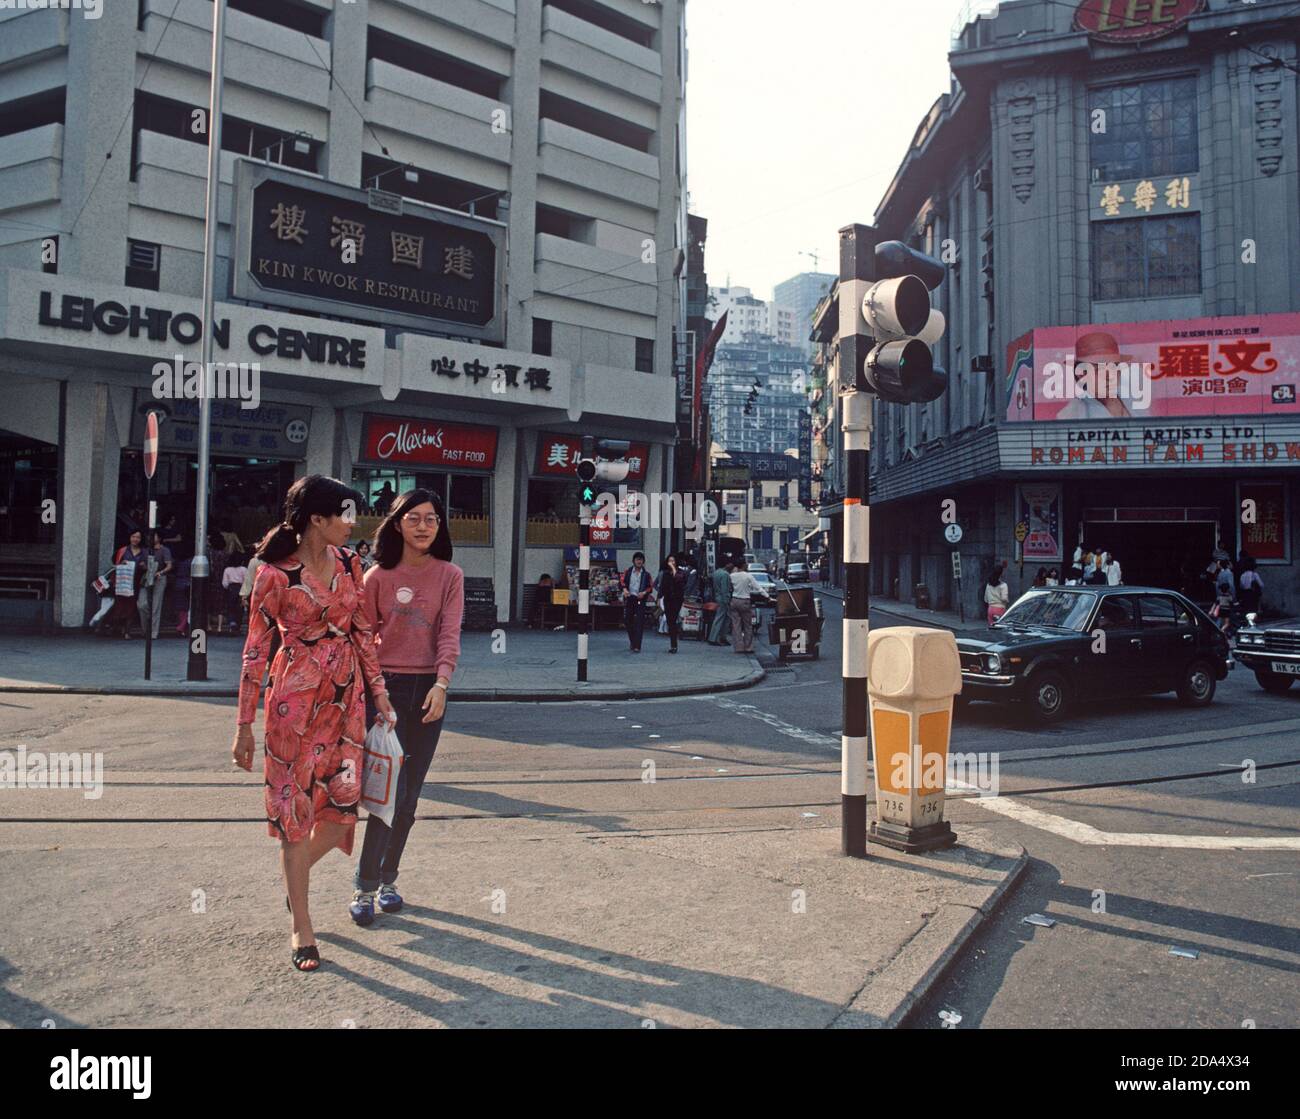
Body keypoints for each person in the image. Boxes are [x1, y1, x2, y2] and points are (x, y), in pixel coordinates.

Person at [231, 475, 395, 972]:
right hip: (293, 705)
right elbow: (255, 653)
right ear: (316, 520)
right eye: (343, 514)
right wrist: (243, 726)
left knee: (343, 810)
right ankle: (302, 923)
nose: (352, 523)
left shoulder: (350, 563)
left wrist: (380, 693)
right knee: (294, 815)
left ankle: (292, 882)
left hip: (347, 703)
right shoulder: (274, 575)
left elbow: (363, 632)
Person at [352, 488, 463, 926]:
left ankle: (388, 879)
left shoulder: (450, 575)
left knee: (410, 797)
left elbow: (449, 634)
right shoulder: (376, 577)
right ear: (397, 524)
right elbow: (363, 638)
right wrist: (376, 691)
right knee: (384, 793)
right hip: (385, 691)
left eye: (431, 518)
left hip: (428, 692)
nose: (423, 526)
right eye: (413, 518)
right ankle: (363, 886)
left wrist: (442, 684)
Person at [620, 551, 653, 653]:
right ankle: (633, 640)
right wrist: (624, 589)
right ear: (633, 561)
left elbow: (650, 587)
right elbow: (622, 582)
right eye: (637, 559)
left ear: (643, 562)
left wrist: (644, 593)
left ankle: (637, 646)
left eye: (641, 560)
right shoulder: (628, 572)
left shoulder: (646, 574)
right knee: (627, 620)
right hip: (630, 598)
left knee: (639, 622)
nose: (639, 561)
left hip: (640, 600)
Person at [655, 555, 686, 654]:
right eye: (669, 560)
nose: (671, 562)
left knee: (672, 619)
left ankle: (674, 645)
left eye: (673, 560)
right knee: (670, 621)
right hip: (667, 599)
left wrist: (673, 569)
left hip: (677, 599)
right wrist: (659, 598)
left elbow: (679, 580)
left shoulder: (681, 572)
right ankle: (673, 642)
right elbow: (662, 587)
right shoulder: (665, 573)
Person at [729, 563, 762, 654]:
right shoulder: (748, 576)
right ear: (743, 566)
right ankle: (748, 647)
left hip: (734, 600)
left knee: (736, 625)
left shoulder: (732, 576)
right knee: (748, 625)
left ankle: (739, 647)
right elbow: (758, 588)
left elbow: (729, 587)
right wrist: (767, 596)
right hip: (745, 601)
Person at [221, 551, 248, 635]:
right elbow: (246, 581)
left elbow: (224, 583)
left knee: (230, 607)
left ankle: (232, 623)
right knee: (240, 608)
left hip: (231, 588)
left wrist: (228, 588)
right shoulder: (244, 569)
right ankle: (238, 626)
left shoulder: (227, 569)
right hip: (241, 588)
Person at [708, 561, 733, 645]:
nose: (731, 565)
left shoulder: (716, 573)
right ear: (726, 564)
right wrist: (727, 601)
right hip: (723, 598)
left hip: (718, 597)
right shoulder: (725, 574)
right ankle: (714, 638)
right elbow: (725, 589)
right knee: (720, 618)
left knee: (724, 618)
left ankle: (722, 637)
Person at [1214, 558, 1236, 633]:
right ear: (1227, 565)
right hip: (1228, 596)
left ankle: (1220, 628)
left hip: (1221, 596)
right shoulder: (1229, 573)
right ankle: (1224, 630)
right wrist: (1233, 596)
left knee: (1221, 615)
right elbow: (1231, 585)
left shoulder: (1220, 574)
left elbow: (1217, 585)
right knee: (1228, 614)